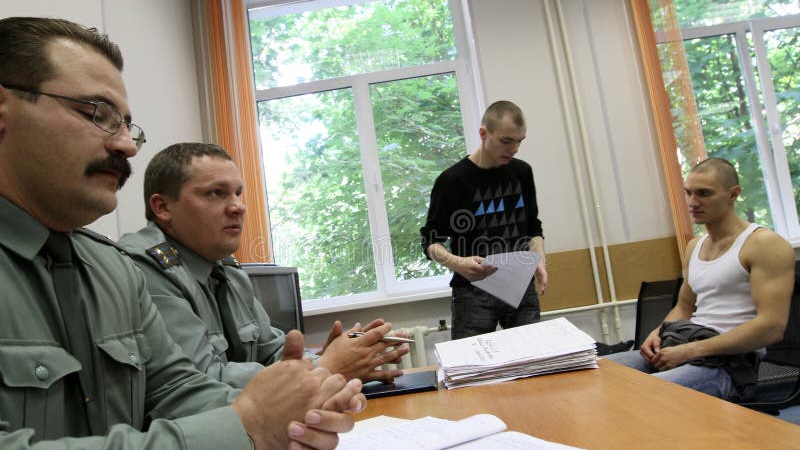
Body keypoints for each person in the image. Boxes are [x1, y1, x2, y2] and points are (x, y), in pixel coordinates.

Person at [0, 16, 365, 450]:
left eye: (126, 125)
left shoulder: (110, 269)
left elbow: (176, 390)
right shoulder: (138, 264)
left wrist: (286, 425)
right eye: (96, 113)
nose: (125, 145)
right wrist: (248, 429)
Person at [119, 142, 409, 389]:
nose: (238, 206)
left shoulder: (228, 270)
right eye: (215, 193)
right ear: (163, 207)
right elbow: (199, 383)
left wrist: (330, 359)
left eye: (238, 193)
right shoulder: (144, 270)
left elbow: (271, 353)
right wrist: (326, 368)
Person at [606, 158, 795, 401]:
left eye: (704, 194)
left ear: (733, 194)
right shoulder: (694, 246)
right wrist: (658, 332)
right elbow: (684, 307)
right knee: (598, 376)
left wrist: (690, 351)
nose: (693, 202)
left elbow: (771, 327)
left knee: (642, 397)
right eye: (689, 193)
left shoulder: (764, 244)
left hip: (730, 364)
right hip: (689, 343)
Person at [420, 100, 548, 340]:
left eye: (519, 141)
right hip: (472, 292)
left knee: (534, 358)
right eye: (506, 141)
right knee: (469, 361)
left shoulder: (522, 172)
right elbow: (430, 242)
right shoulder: (452, 181)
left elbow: (533, 227)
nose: (514, 149)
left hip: (520, 286)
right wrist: (459, 263)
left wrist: (539, 259)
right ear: (483, 134)